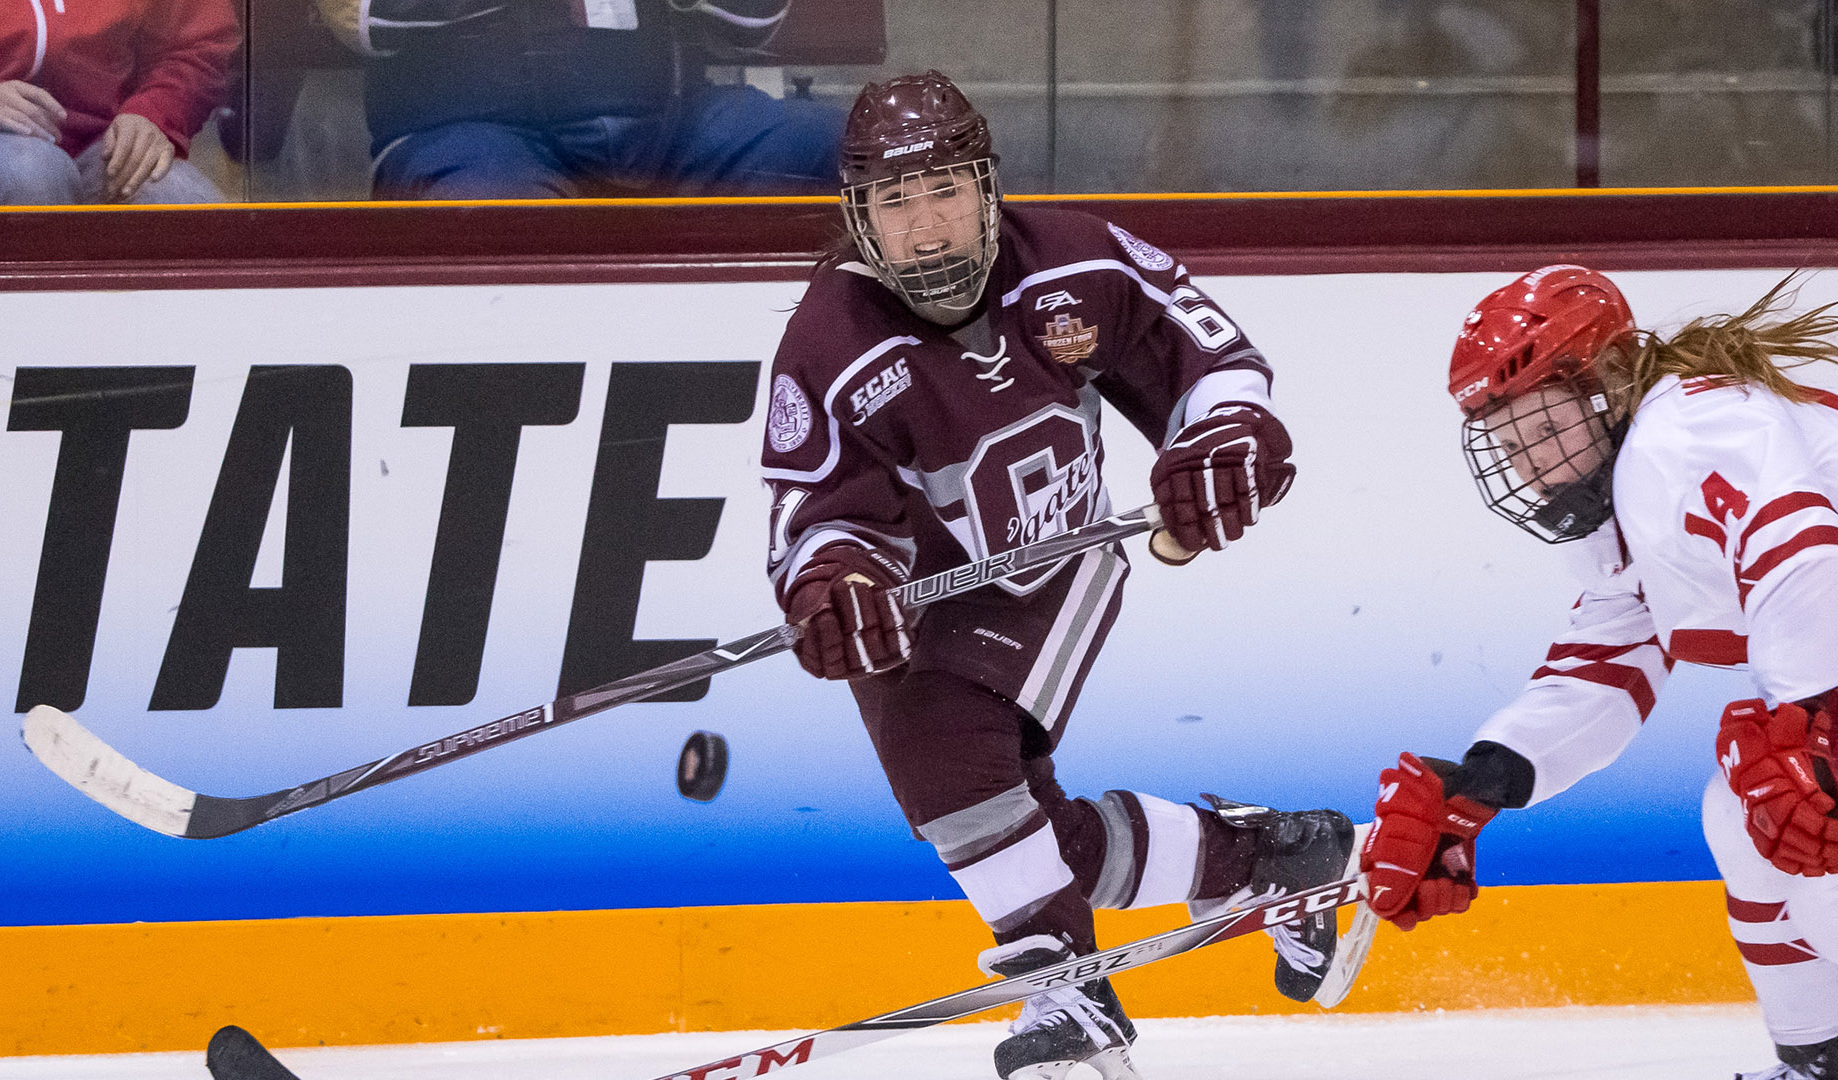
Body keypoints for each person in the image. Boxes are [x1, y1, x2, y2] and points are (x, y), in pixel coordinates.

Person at [761, 71, 1355, 1080]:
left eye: (944, 191)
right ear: (858, 213)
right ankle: (1276, 860)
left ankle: (1068, 991)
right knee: (1036, 841)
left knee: (945, 761)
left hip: (1054, 559)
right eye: (896, 202)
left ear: (987, 188)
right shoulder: (829, 343)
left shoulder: (1076, 259)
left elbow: (1210, 356)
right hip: (928, 591)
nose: (926, 226)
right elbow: (817, 512)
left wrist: (1223, 433)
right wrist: (836, 583)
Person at [1357, 265, 1838, 1080]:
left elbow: (1800, 551)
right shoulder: (1637, 478)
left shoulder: (1682, 434)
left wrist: (1813, 714)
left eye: (1545, 431)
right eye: (1513, 446)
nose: (1534, 466)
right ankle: (1818, 1057)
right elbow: (1612, 650)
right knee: (1746, 814)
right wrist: (1484, 780)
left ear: (1610, 378)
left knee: (1806, 838)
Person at [316, 0, 841, 200]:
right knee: (503, 217)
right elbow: (360, 16)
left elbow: (754, 21)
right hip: (471, 131)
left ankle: (805, 390)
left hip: (673, 128)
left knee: (850, 155)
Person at [0, 0, 237, 205]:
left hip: (99, 141)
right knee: (30, 174)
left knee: (184, 201)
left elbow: (199, 44)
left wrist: (154, 113)